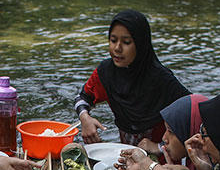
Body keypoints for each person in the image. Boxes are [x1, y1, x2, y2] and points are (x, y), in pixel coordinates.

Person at [75, 10, 189, 146]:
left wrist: (159, 146)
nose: (117, 48)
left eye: (126, 42)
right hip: (125, 152)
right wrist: (85, 118)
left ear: (141, 44)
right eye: (113, 40)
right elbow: (82, 98)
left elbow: (194, 117)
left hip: (164, 157)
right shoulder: (106, 73)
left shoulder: (161, 79)